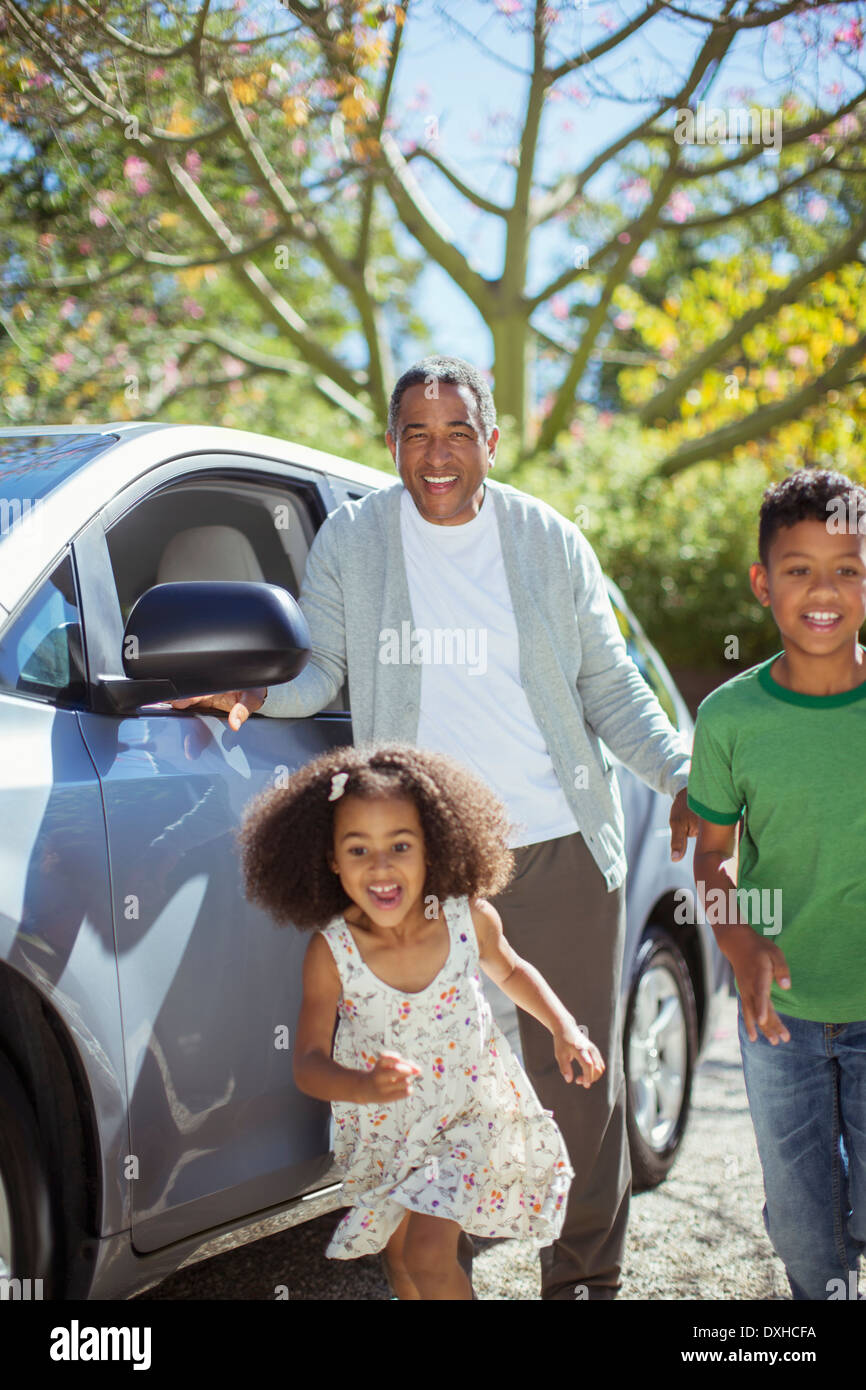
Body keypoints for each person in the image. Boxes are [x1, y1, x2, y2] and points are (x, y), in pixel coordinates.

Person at [173, 355, 697, 1298]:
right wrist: (258, 691)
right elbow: (323, 670)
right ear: (391, 445)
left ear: (491, 439)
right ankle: (433, 1274)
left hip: (556, 840)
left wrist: (682, 776)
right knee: (424, 1085)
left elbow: (611, 688)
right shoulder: (354, 541)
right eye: (416, 432)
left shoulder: (546, 538)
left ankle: (583, 1281)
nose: (437, 452)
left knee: (577, 1075)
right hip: (427, 862)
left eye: (458, 431)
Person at [237, 743, 605, 1300]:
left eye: (400, 845)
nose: (380, 866)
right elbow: (309, 1064)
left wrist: (563, 1027)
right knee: (404, 1264)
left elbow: (511, 970)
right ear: (330, 859)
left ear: (433, 848)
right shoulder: (333, 952)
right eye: (358, 849)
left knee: (430, 1257)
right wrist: (360, 1085)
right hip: (388, 1130)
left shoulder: (465, 917)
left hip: (468, 1112)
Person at [687, 468, 866, 1301]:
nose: (823, 591)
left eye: (848, 569)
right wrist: (735, 932)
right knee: (803, 1237)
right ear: (764, 583)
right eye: (799, 569)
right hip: (780, 1017)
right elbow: (712, 857)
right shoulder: (730, 717)